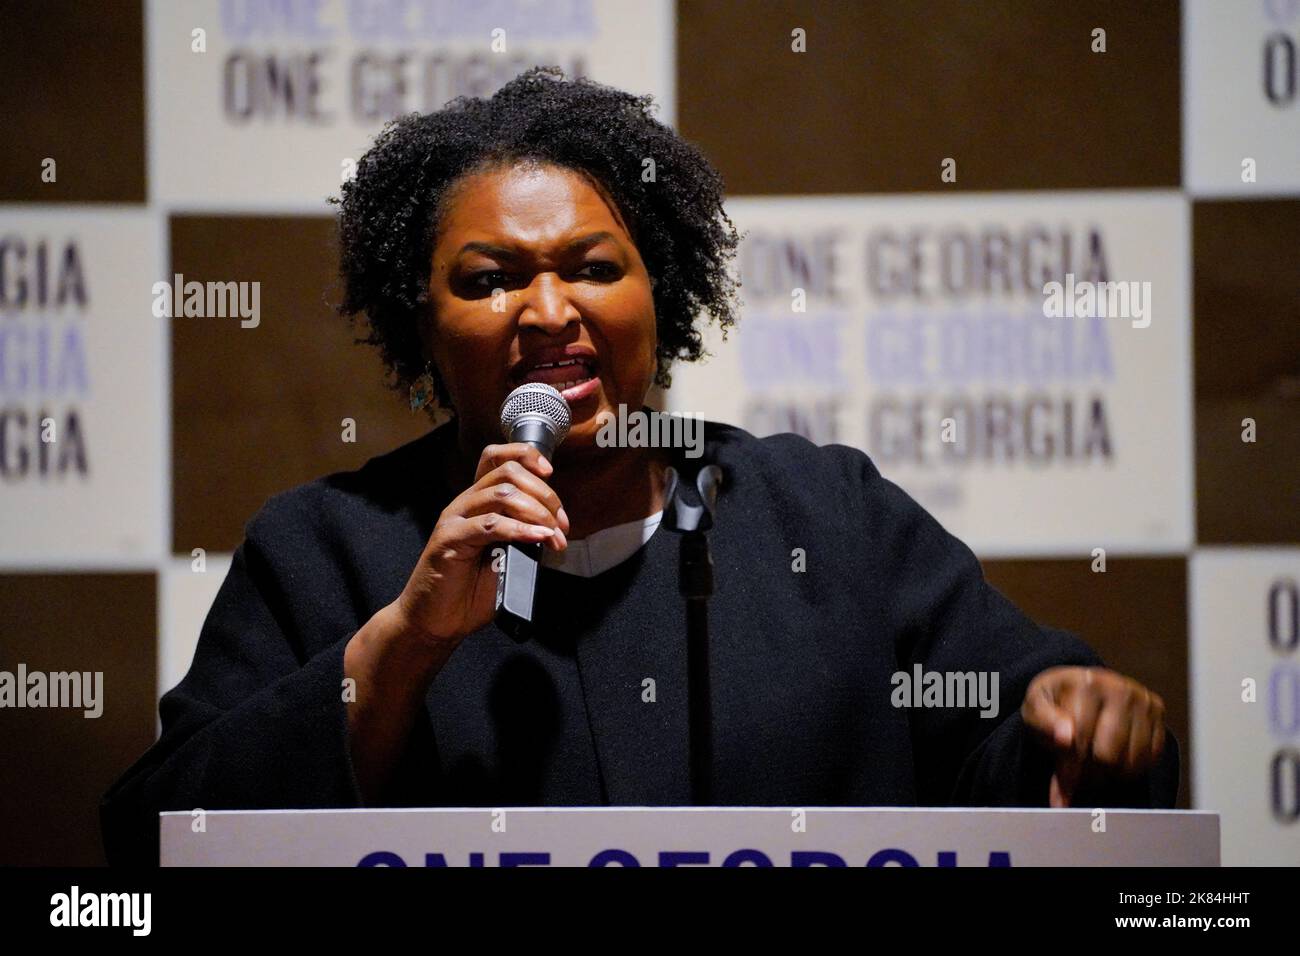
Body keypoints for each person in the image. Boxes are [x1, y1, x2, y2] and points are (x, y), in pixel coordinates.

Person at [100, 66, 1176, 867]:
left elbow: (1010, 750)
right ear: (419, 327)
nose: (547, 311)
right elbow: (156, 847)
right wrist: (393, 651)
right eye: (488, 281)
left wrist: (1080, 735)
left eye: (592, 269)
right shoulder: (324, 546)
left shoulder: (823, 511)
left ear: (659, 297)